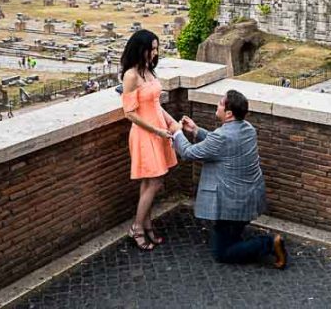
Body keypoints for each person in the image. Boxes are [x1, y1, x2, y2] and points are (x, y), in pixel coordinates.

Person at [171, 90, 287, 269]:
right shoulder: (248, 129)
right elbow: (221, 145)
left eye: (220, 103)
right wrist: (196, 130)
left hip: (231, 204)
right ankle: (239, 237)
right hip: (249, 197)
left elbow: (188, 153)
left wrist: (177, 133)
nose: (216, 106)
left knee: (222, 253)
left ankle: (269, 243)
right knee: (231, 236)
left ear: (229, 113)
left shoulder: (222, 137)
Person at [121, 29, 178, 251]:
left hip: (159, 131)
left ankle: (146, 225)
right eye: (151, 49)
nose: (155, 53)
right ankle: (136, 227)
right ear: (140, 48)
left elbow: (155, 105)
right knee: (155, 182)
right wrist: (157, 130)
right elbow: (130, 113)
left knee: (149, 183)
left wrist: (172, 123)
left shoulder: (149, 72)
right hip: (145, 135)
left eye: (156, 49)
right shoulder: (131, 76)